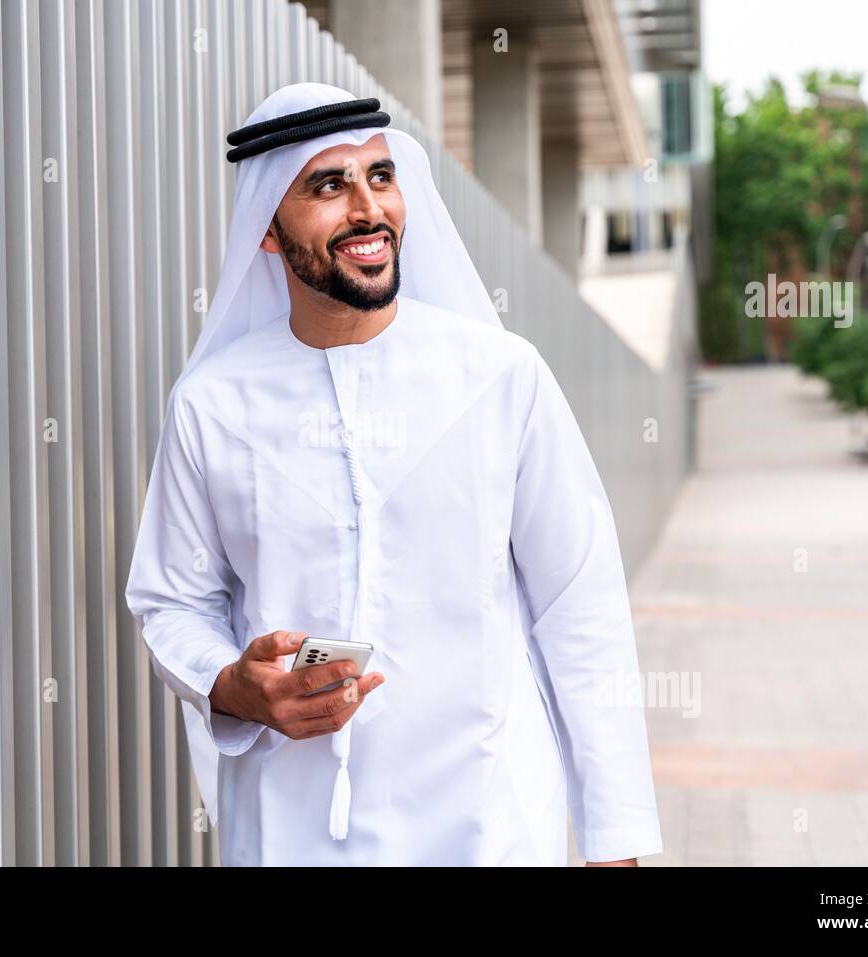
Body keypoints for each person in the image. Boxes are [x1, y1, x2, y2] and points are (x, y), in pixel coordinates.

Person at [125, 82, 663, 866]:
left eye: (380, 177)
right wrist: (232, 685)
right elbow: (172, 599)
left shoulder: (500, 376)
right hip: (291, 827)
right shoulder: (213, 403)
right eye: (328, 185)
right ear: (269, 231)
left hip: (491, 823)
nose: (368, 209)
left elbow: (580, 608)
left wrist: (615, 840)